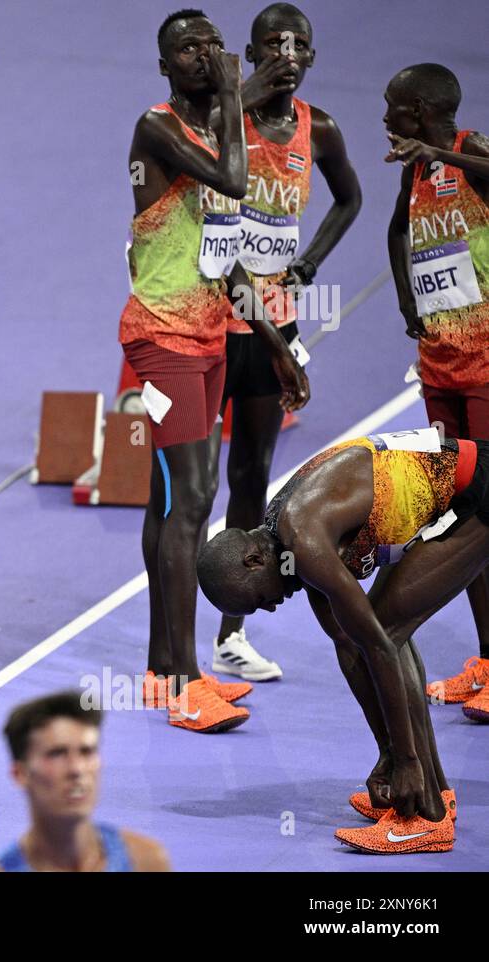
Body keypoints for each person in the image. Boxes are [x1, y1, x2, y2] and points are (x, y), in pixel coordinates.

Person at [120, 9, 306, 733]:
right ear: (165, 67)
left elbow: (223, 259)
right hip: (161, 341)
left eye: (209, 44)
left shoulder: (210, 125)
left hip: (209, 339)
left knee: (172, 503)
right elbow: (233, 176)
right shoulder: (157, 126)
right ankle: (182, 679)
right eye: (185, 49)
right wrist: (239, 93)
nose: (202, 55)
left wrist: (278, 346)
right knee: (190, 501)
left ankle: (161, 668)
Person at [197, 427, 480, 852]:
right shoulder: (284, 540)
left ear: (254, 560)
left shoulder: (303, 538)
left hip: (478, 498)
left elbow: (378, 646)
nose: (272, 608)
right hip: (459, 496)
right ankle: (433, 793)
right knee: (377, 630)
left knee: (386, 631)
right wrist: (387, 751)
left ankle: (426, 817)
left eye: (258, 601)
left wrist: (404, 760)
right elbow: (347, 644)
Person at [211, 3, 361, 683]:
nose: (289, 53)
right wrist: (241, 91)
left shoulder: (318, 130)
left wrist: (310, 264)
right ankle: (170, 647)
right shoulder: (224, 119)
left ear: (313, 58)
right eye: (274, 43)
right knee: (185, 494)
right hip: (206, 316)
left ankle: (229, 634)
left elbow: (349, 199)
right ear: (252, 52)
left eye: (300, 44)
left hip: (273, 318)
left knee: (249, 475)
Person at [384, 63, 489, 720]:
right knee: (458, 512)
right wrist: (405, 301)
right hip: (439, 368)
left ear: (422, 111)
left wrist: (444, 153)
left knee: (487, 514)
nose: (385, 119)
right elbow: (398, 230)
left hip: (485, 364)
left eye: (393, 108)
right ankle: (485, 659)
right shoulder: (413, 170)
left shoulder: (473, 154)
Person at [0, 691, 170, 872]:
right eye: (57, 754)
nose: (76, 769)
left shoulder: (146, 861)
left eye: (86, 752)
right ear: (20, 774)